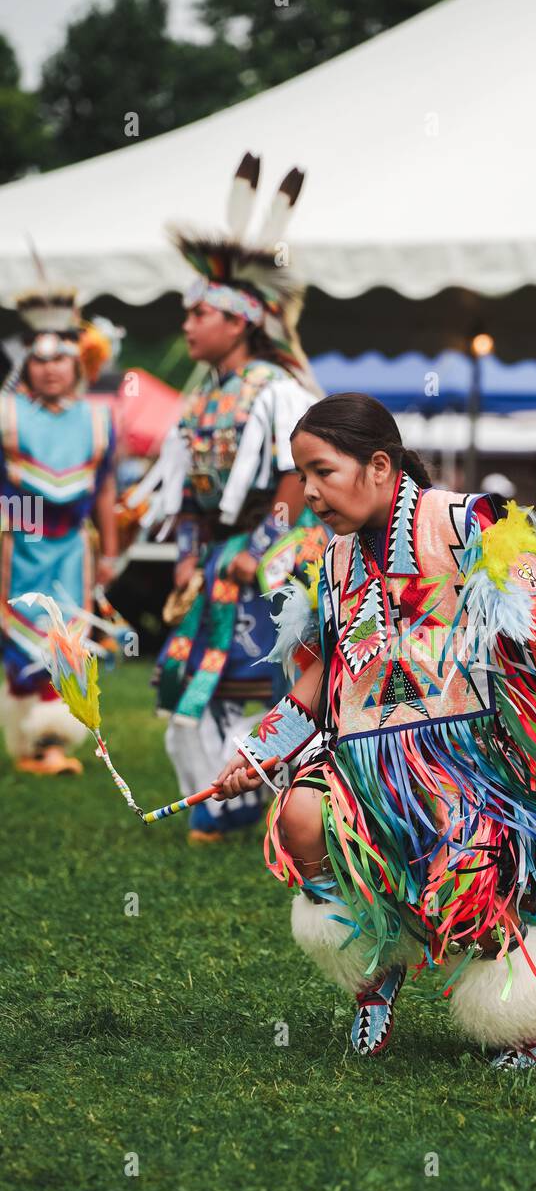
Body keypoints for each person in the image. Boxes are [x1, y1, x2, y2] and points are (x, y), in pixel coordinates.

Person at [212, 393, 536, 1070]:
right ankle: (376, 962)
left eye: (322, 472)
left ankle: (523, 1026)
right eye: (301, 477)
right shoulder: (331, 564)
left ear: (379, 466)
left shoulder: (463, 521)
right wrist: (257, 753)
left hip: (463, 763)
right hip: (362, 764)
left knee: (471, 894)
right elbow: (316, 682)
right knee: (300, 814)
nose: (308, 493)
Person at [124, 153, 329, 842]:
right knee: (194, 674)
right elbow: (185, 491)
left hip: (269, 563)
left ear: (240, 320)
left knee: (265, 674)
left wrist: (261, 553)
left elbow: (294, 483)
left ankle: (283, 796)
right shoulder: (202, 395)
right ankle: (226, 797)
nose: (186, 325)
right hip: (216, 560)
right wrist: (189, 555)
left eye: (200, 313)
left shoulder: (276, 392)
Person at [0, 284, 118, 773]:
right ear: (26, 363)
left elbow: (106, 489)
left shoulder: (98, 418)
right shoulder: (7, 413)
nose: (50, 367)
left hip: (71, 547)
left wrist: (110, 552)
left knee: (63, 640)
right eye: (40, 359)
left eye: (61, 358)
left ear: (79, 364)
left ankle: (48, 741)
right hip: (16, 544)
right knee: (18, 637)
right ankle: (33, 744)